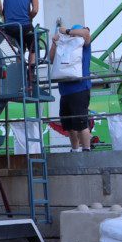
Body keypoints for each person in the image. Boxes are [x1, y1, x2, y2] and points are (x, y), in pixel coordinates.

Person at [49, 23, 93, 151]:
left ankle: (86, 150)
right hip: (65, 91)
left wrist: (67, 31)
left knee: (81, 123)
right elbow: (51, 59)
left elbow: (86, 34)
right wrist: (54, 43)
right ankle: (75, 150)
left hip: (80, 89)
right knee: (68, 124)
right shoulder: (65, 45)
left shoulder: (84, 45)